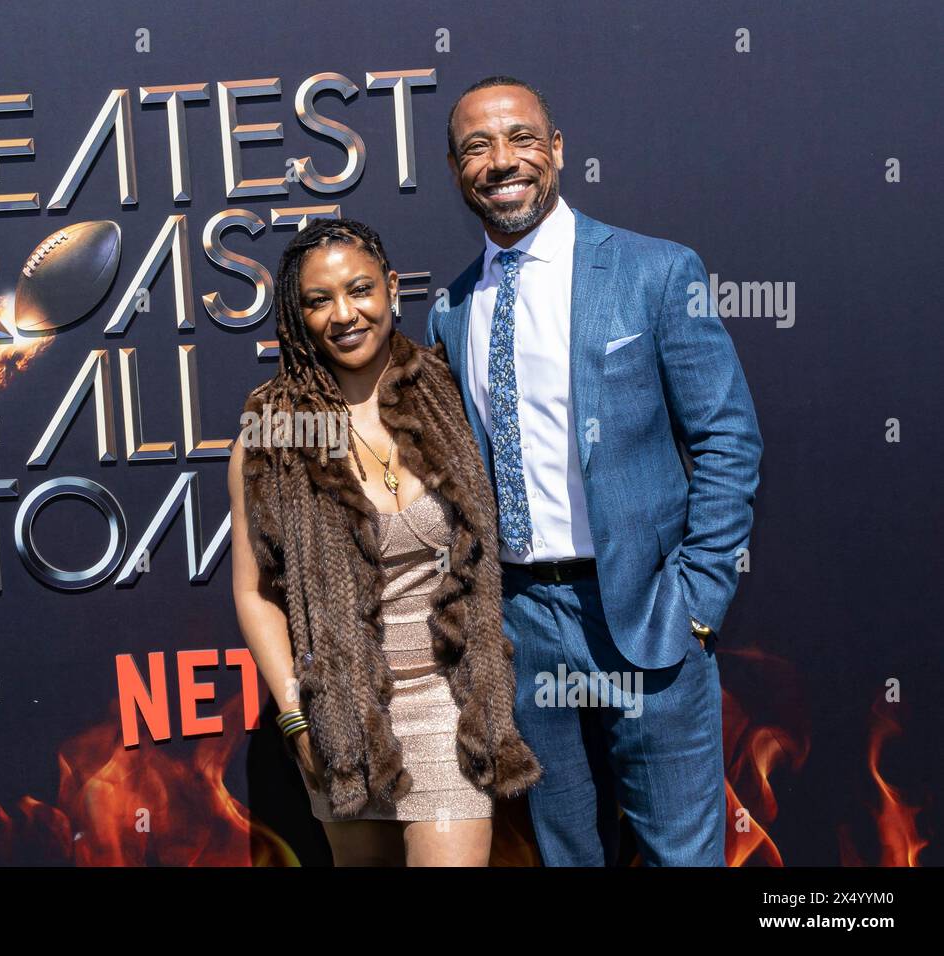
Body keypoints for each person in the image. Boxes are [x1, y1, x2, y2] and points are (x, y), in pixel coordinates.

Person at [425, 75, 763, 866]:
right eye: (476, 146)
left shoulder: (654, 272)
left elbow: (727, 438)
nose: (501, 160)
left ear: (559, 152)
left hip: (645, 614)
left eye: (520, 138)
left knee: (680, 854)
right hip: (521, 627)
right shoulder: (453, 305)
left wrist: (698, 600)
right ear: (454, 169)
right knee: (566, 854)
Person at [228, 218, 541, 866]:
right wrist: (297, 719)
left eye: (360, 289)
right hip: (343, 717)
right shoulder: (273, 435)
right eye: (319, 300)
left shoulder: (448, 397)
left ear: (391, 287)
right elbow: (255, 592)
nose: (344, 314)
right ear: (298, 313)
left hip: (451, 703)